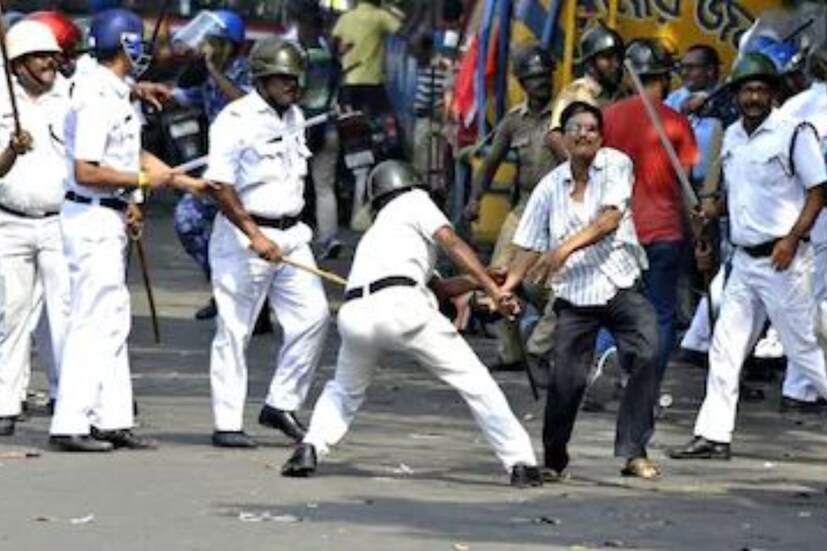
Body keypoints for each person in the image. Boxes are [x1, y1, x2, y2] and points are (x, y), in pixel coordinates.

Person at [280, 160, 542, 488]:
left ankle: (310, 447)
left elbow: (441, 288)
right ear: (411, 185)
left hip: (356, 313)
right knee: (475, 382)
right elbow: (453, 243)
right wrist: (493, 291)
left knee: (344, 389)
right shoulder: (416, 202)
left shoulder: (379, 234)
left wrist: (481, 281)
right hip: (404, 308)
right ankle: (520, 462)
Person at [49, 8, 205, 452]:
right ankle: (71, 422)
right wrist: (140, 183)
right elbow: (87, 170)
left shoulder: (113, 91)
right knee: (90, 321)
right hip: (92, 214)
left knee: (114, 320)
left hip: (109, 216)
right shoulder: (99, 97)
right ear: (126, 46)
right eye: (137, 42)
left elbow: (131, 154)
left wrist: (184, 181)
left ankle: (112, 418)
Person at [669, 53, 827, 460]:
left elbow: (819, 190)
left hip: (784, 261)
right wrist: (711, 211)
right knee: (724, 349)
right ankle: (713, 434)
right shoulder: (733, 138)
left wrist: (793, 238)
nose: (753, 96)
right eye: (746, 89)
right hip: (743, 261)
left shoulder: (794, 133)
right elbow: (737, 196)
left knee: (806, 352)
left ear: (772, 93)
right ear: (737, 95)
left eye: (760, 89)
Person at [504, 101, 660, 479]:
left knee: (648, 352)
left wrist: (562, 249)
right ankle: (555, 457)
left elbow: (609, 219)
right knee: (566, 381)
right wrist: (506, 288)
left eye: (591, 128)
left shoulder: (616, 164)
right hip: (575, 293)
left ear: (601, 136)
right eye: (575, 128)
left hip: (619, 282)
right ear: (561, 137)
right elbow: (527, 244)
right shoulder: (549, 187)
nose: (583, 135)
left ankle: (633, 451)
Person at [204, 37, 331, 449]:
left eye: (296, 78)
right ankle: (227, 423)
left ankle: (281, 403)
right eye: (284, 79)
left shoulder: (294, 116)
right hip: (244, 238)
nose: (293, 85)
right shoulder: (235, 119)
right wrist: (255, 235)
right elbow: (220, 186)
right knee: (235, 331)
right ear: (262, 78)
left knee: (314, 317)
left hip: (292, 235)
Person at [603, 38, 699, 393]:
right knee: (659, 314)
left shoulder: (607, 118)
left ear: (632, 77)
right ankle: (646, 388)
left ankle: (608, 356)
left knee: (610, 304)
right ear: (665, 77)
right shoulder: (677, 123)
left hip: (618, 230)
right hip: (665, 231)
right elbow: (686, 188)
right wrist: (699, 237)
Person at [464, 45, 561, 372]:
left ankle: (549, 346)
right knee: (498, 276)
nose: (541, 83)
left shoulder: (564, 116)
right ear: (522, 83)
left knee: (544, 284)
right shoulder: (512, 121)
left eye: (545, 76)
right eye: (533, 78)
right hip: (523, 207)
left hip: (559, 210)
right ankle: (511, 353)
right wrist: (475, 198)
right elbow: (489, 163)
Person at [0, 21, 71, 437]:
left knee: (65, 314)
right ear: (19, 64)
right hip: (10, 220)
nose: (51, 63)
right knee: (10, 313)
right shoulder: (2, 100)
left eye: (53, 55)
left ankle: (69, 398)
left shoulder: (70, 96)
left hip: (61, 221)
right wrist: (12, 148)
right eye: (42, 57)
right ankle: (6, 402)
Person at [172, 9, 251, 321]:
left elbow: (244, 102)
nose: (205, 47)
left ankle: (250, 302)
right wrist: (162, 92)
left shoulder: (245, 70)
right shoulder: (209, 75)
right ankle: (221, 287)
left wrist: (213, 70)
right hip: (219, 168)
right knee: (187, 219)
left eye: (212, 42)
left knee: (245, 235)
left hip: (248, 171)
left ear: (228, 45)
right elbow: (190, 96)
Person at [284, 0, 343, 260]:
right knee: (324, 187)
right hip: (329, 127)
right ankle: (329, 238)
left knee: (293, 182)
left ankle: (292, 238)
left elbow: (296, 94)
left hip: (302, 127)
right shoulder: (330, 56)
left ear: (303, 25)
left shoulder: (299, 57)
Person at [546, 22, 625, 160]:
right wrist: (581, 169)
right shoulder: (574, 93)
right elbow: (554, 137)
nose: (616, 64)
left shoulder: (624, 93)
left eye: (618, 57)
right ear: (590, 63)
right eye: (607, 58)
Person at [331, 0, 401, 115]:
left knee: (348, 123)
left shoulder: (345, 18)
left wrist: (342, 56)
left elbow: (332, 46)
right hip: (372, 81)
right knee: (387, 123)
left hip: (349, 82)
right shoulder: (380, 16)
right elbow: (401, 30)